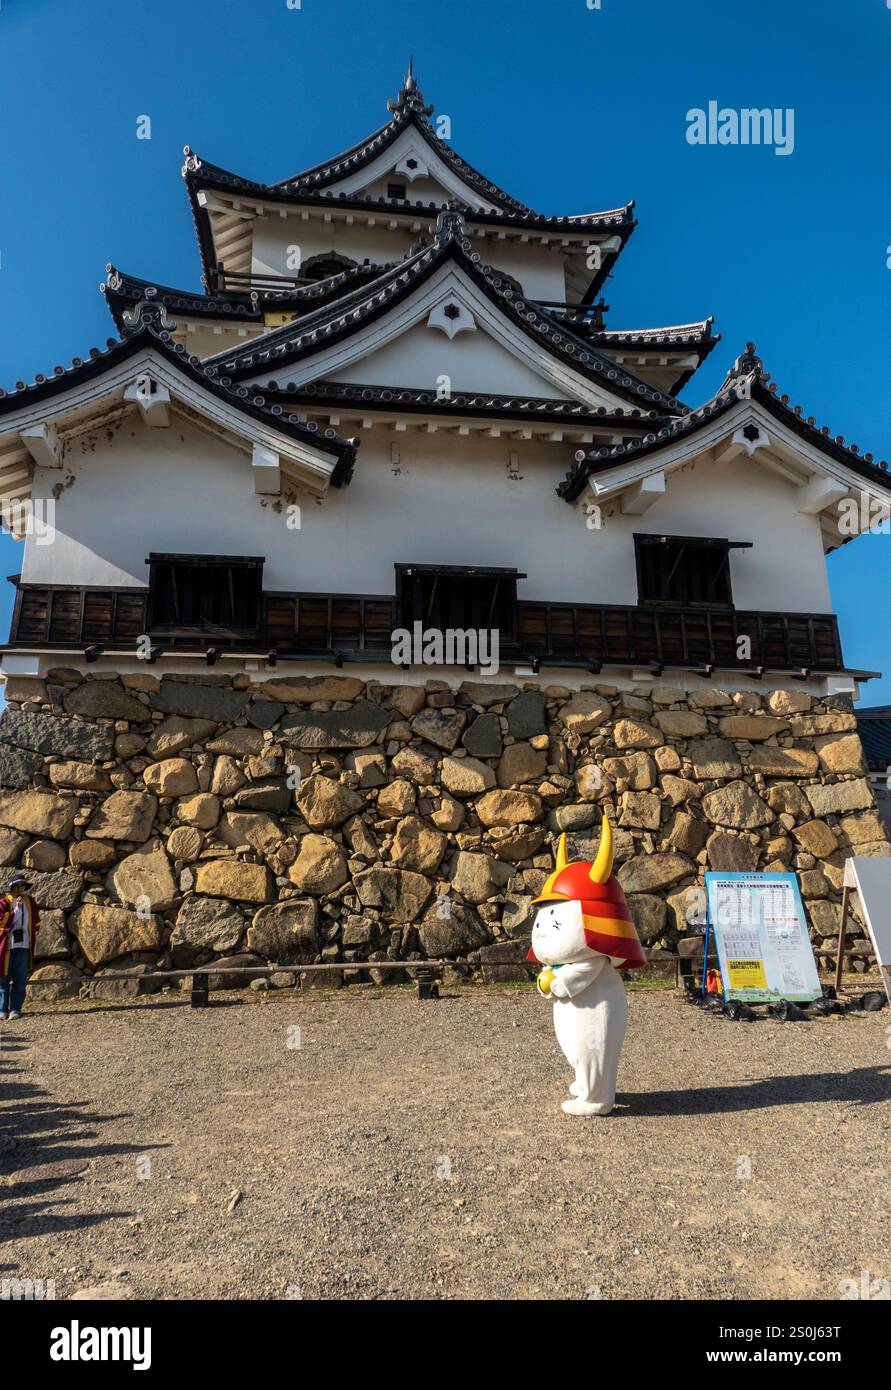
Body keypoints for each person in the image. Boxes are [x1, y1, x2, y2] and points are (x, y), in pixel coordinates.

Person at [0, 874, 41, 1021]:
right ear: (11, 888)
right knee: (3, 979)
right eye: (17, 886)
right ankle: (2, 1009)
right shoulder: (4, 903)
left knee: (20, 978)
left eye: (22, 886)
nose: (20, 889)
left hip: (24, 945)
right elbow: (2, 925)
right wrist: (16, 911)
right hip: (7, 947)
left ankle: (15, 1009)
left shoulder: (30, 902)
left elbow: (36, 921)